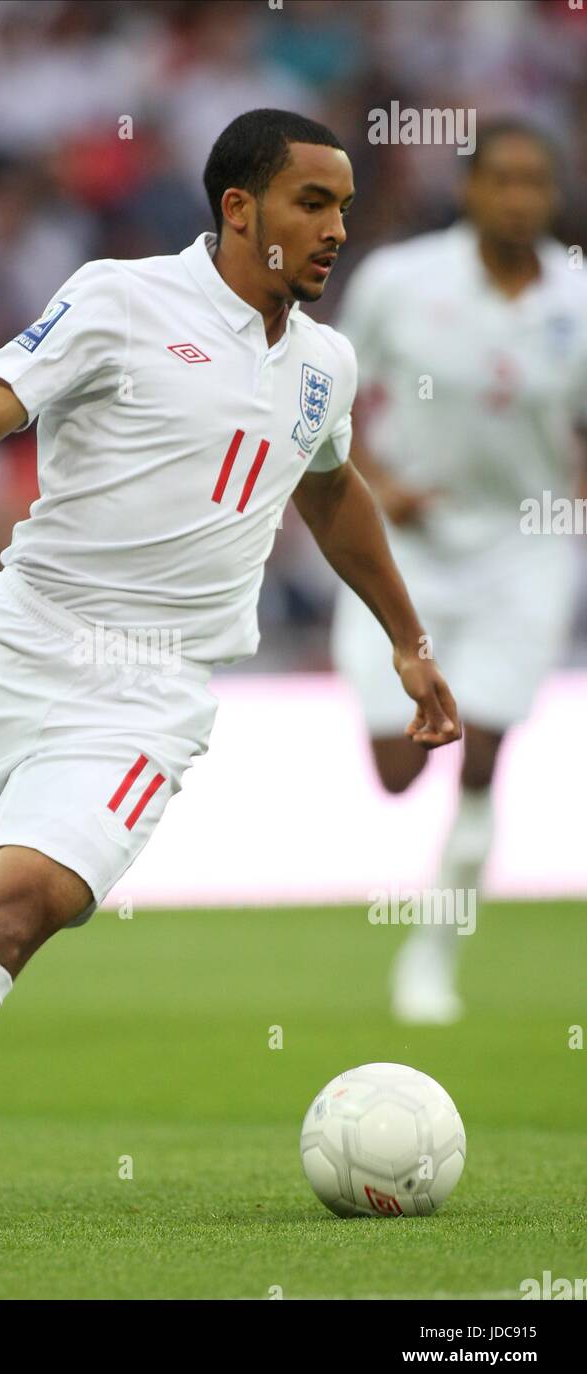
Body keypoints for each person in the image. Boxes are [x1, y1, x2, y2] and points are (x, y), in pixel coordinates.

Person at [0, 109, 460, 1232]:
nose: (334, 229)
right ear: (237, 207)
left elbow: (327, 488)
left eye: (344, 208)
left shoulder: (322, 361)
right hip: (17, 636)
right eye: (313, 203)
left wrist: (408, 644)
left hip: (152, 690)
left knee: (16, 909)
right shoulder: (121, 300)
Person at [331, 118, 587, 1025]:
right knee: (400, 767)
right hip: (401, 553)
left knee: (480, 751)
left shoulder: (578, 295)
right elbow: (323, 388)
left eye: (536, 181)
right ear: (470, 188)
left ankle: (431, 957)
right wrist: (376, 482)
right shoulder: (400, 283)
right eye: (503, 179)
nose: (520, 197)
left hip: (524, 549)